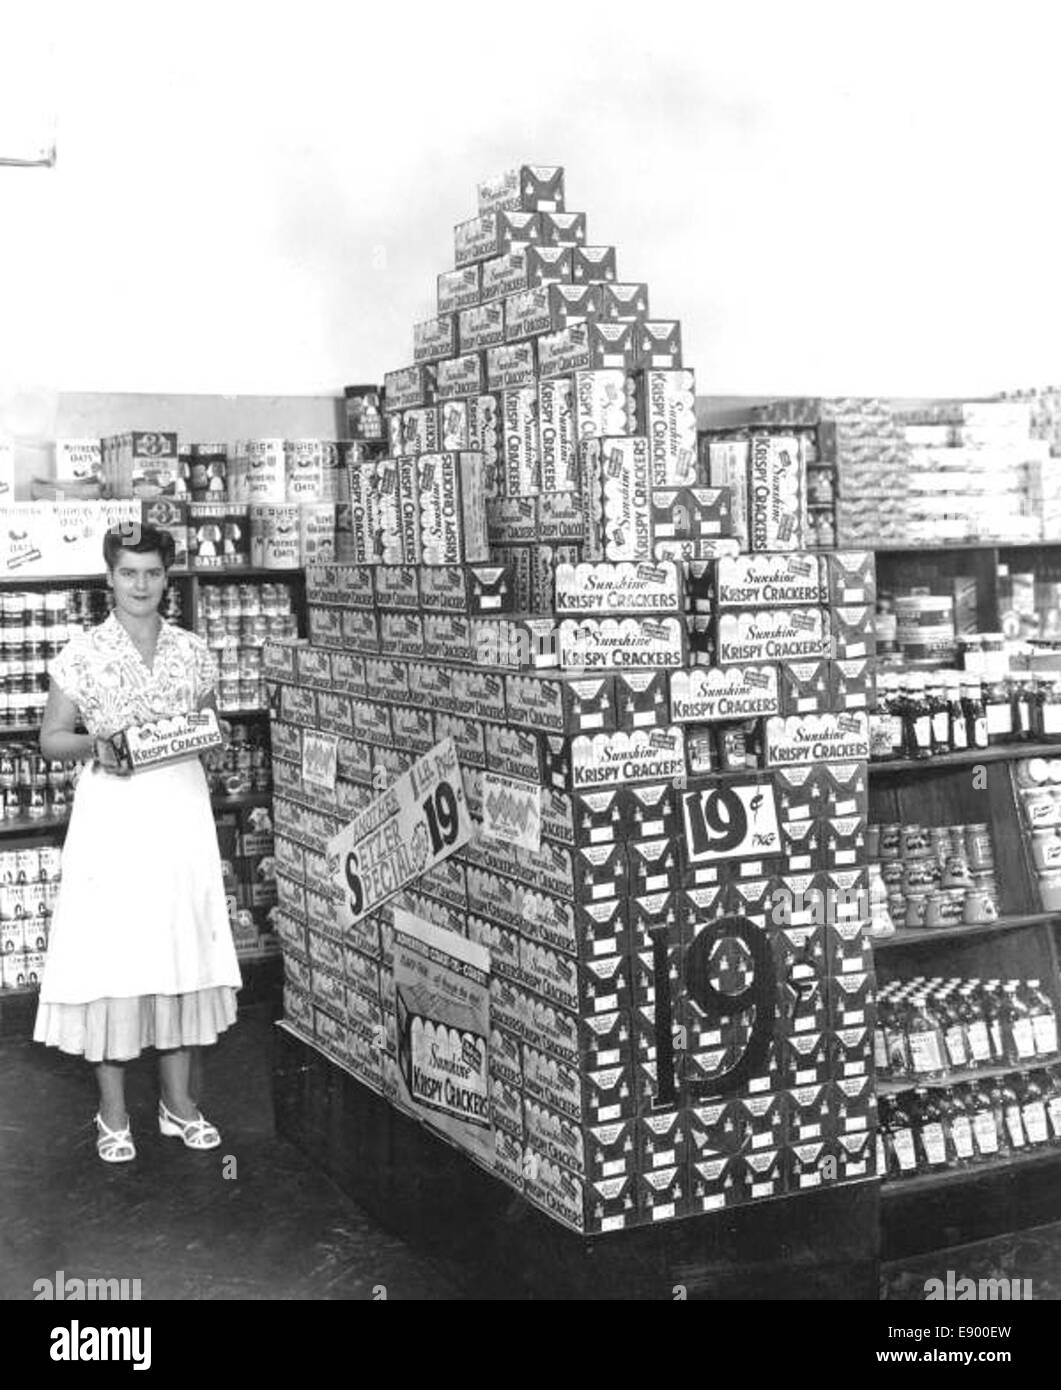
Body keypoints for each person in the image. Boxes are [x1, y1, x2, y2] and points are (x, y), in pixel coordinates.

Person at [34, 522, 242, 1163]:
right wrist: (100, 745)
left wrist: (217, 741)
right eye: (129, 573)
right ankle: (113, 1111)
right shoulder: (83, 653)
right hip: (115, 816)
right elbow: (51, 738)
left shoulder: (192, 650)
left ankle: (177, 1105)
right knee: (115, 954)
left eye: (152, 573)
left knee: (179, 947)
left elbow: (211, 727)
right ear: (109, 579)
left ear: (167, 578)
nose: (141, 584)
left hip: (180, 812)